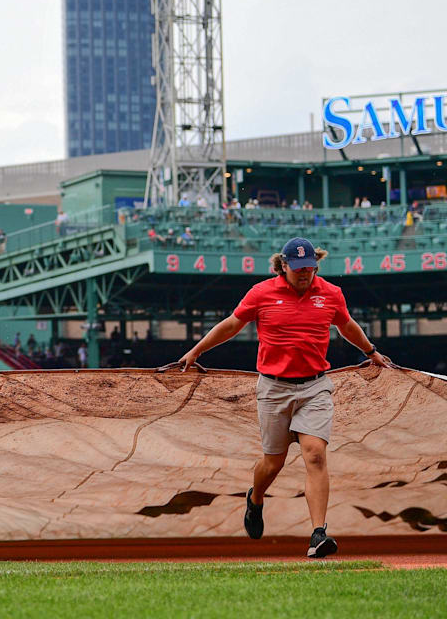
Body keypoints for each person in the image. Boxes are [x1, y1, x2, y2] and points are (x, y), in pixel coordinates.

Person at [165, 237, 395, 559]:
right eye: (298, 269)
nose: (305, 275)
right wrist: (195, 351)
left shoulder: (330, 294)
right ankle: (256, 497)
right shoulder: (262, 293)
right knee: (274, 462)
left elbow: (346, 326)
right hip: (274, 388)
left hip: (315, 386)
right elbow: (232, 325)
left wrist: (371, 352)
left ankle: (318, 535)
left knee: (315, 454)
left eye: (310, 268)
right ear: (283, 266)